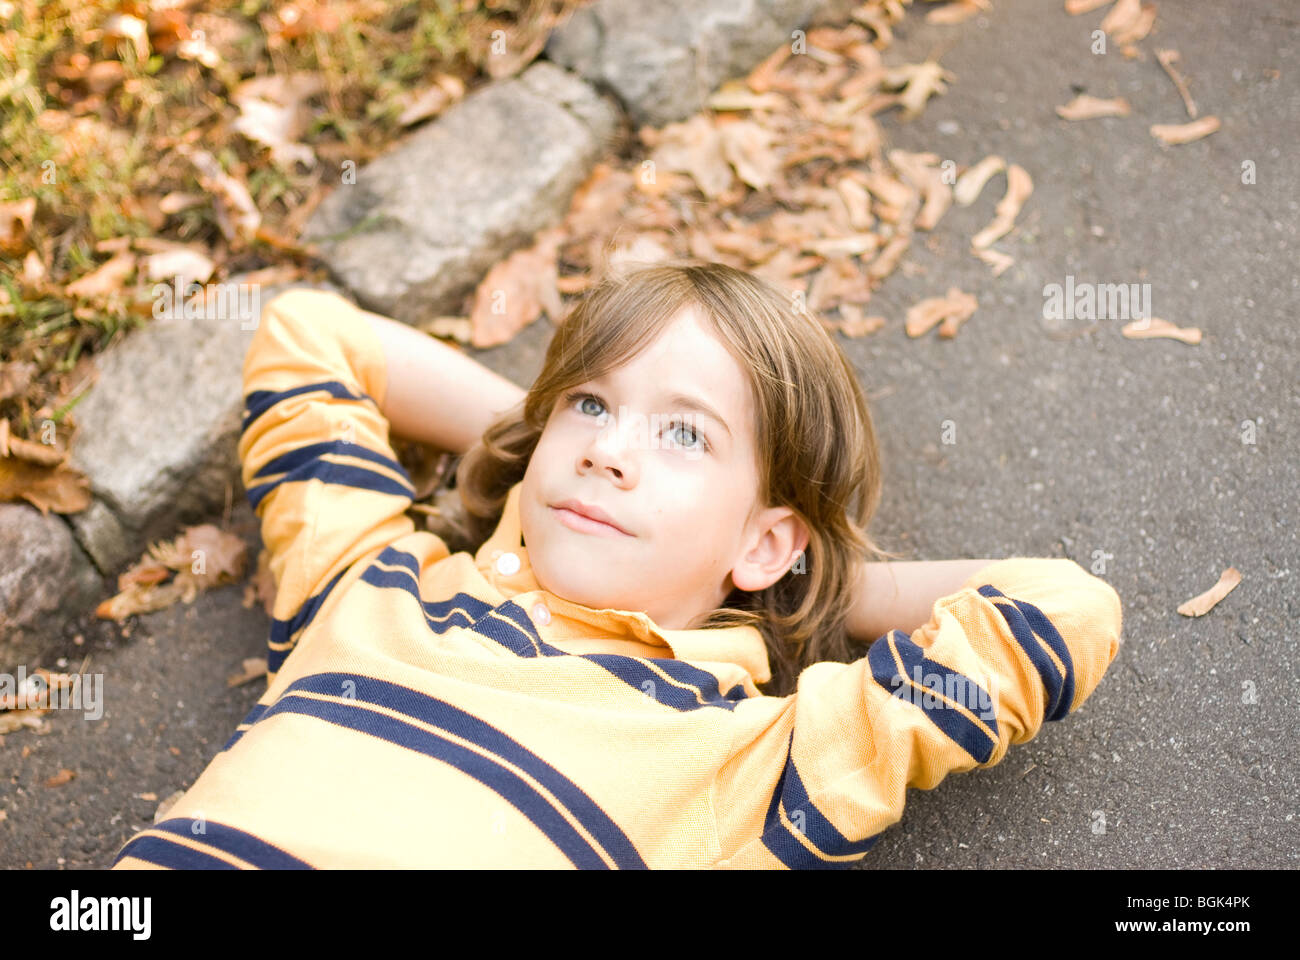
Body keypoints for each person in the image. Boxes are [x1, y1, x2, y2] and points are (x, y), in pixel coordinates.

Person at [110, 259, 1122, 869]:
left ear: (765, 542)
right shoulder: (370, 582)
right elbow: (308, 335)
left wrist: (815, 584)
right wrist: (525, 442)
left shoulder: (738, 759)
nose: (609, 449)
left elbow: (1059, 611)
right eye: (591, 405)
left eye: (685, 435)